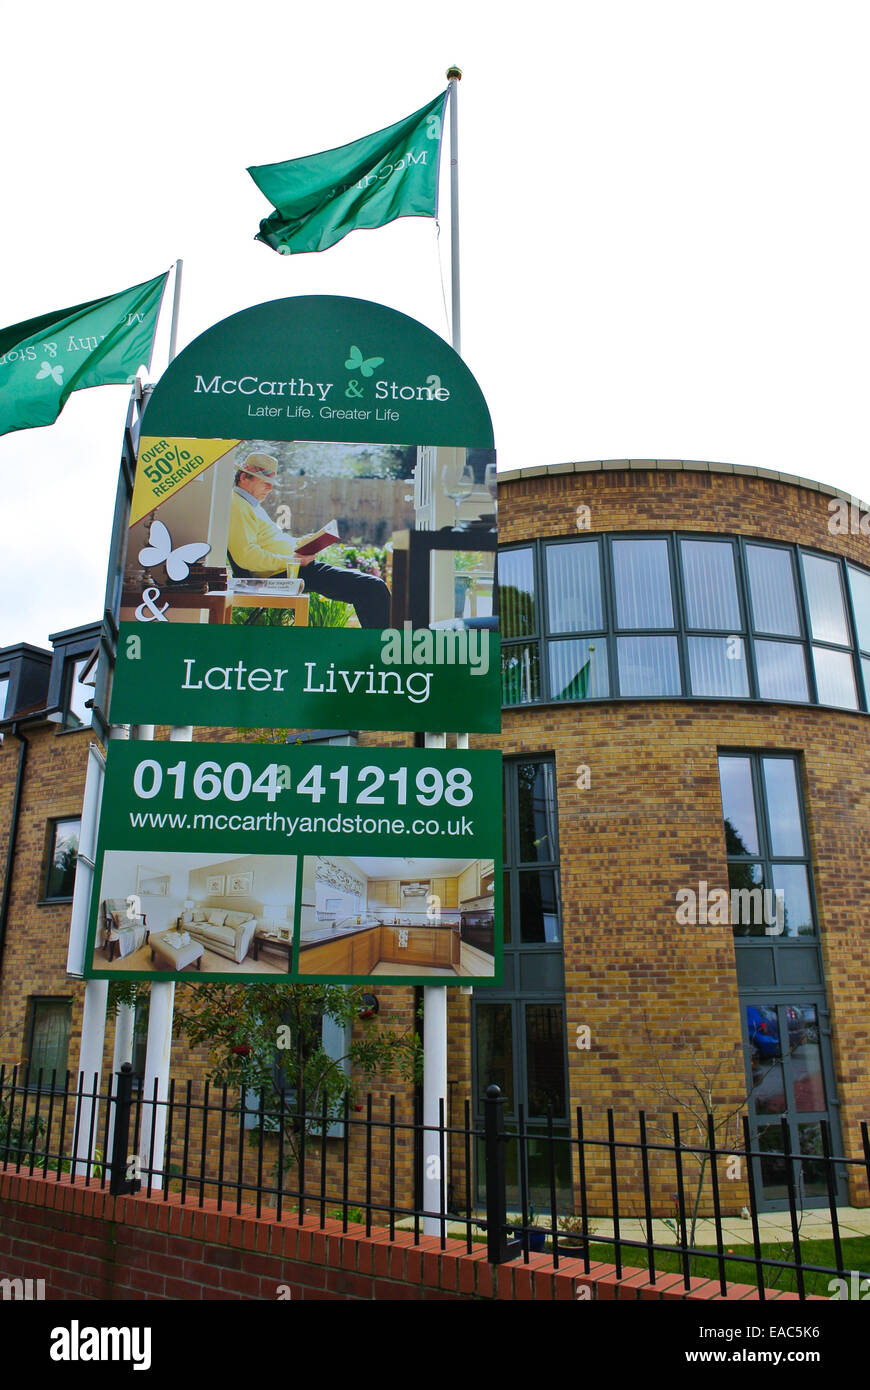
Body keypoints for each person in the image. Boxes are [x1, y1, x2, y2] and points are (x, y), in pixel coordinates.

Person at [227, 453, 391, 629]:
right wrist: (294, 560)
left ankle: (379, 644)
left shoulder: (250, 506)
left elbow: (270, 541)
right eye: (264, 482)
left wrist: (305, 543)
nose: (269, 488)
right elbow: (246, 557)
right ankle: (383, 649)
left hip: (293, 569)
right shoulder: (237, 505)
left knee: (371, 588)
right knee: (372, 588)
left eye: (271, 484)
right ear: (244, 477)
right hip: (285, 573)